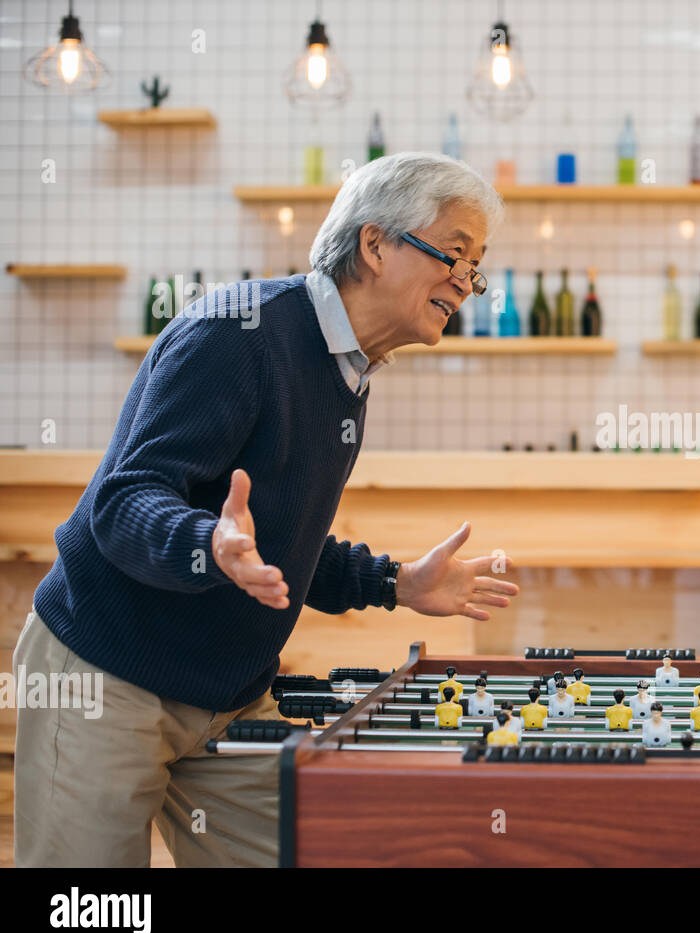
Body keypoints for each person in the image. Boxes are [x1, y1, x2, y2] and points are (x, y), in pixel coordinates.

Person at [13, 152, 520, 867]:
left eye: (477, 266)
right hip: (108, 670)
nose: (467, 283)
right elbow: (125, 501)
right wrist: (206, 545)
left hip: (227, 692)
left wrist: (395, 583)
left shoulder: (350, 371)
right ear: (375, 245)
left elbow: (277, 545)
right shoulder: (238, 333)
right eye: (455, 255)